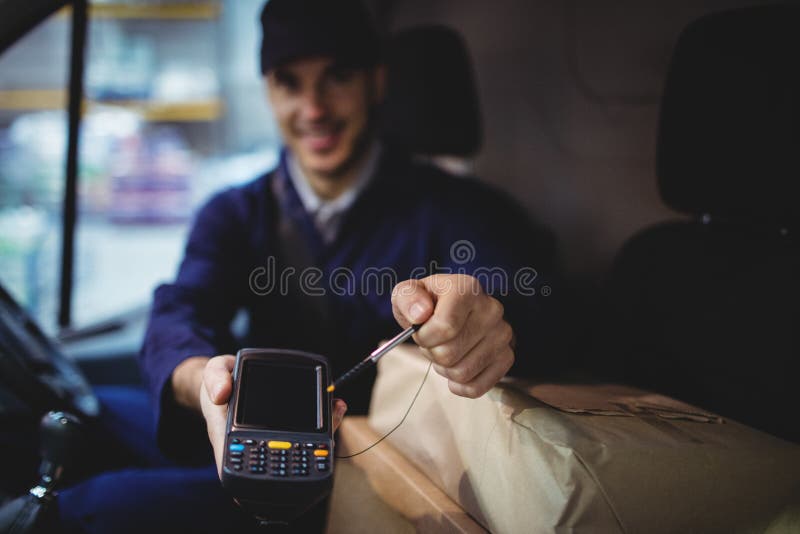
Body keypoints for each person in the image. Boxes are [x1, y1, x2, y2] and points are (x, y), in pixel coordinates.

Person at [46, 0, 559, 531]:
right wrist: (206, 382)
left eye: (336, 77)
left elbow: (505, 292)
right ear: (268, 90)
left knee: (87, 509)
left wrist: (480, 321)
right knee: (78, 413)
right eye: (290, 82)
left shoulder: (466, 212)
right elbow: (183, 311)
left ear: (375, 82)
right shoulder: (235, 213)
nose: (313, 109)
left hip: (362, 467)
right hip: (250, 427)